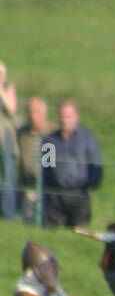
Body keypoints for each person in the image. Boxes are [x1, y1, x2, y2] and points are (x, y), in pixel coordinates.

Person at [41, 100, 102, 228]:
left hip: (80, 195)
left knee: (79, 232)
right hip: (56, 197)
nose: (64, 120)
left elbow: (96, 165)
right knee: (55, 234)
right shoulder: (49, 141)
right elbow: (46, 168)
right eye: (61, 116)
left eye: (68, 116)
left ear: (76, 117)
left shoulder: (87, 138)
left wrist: (90, 187)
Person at [15, 96, 50, 224]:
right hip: (26, 185)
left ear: (44, 114)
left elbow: (50, 164)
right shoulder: (22, 134)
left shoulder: (51, 134)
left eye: (36, 112)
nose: (32, 116)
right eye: (30, 112)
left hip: (47, 186)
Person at [0, 61, 18, 220]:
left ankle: (8, 213)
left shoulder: (8, 88)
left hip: (4, 137)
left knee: (7, 176)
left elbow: (11, 110)